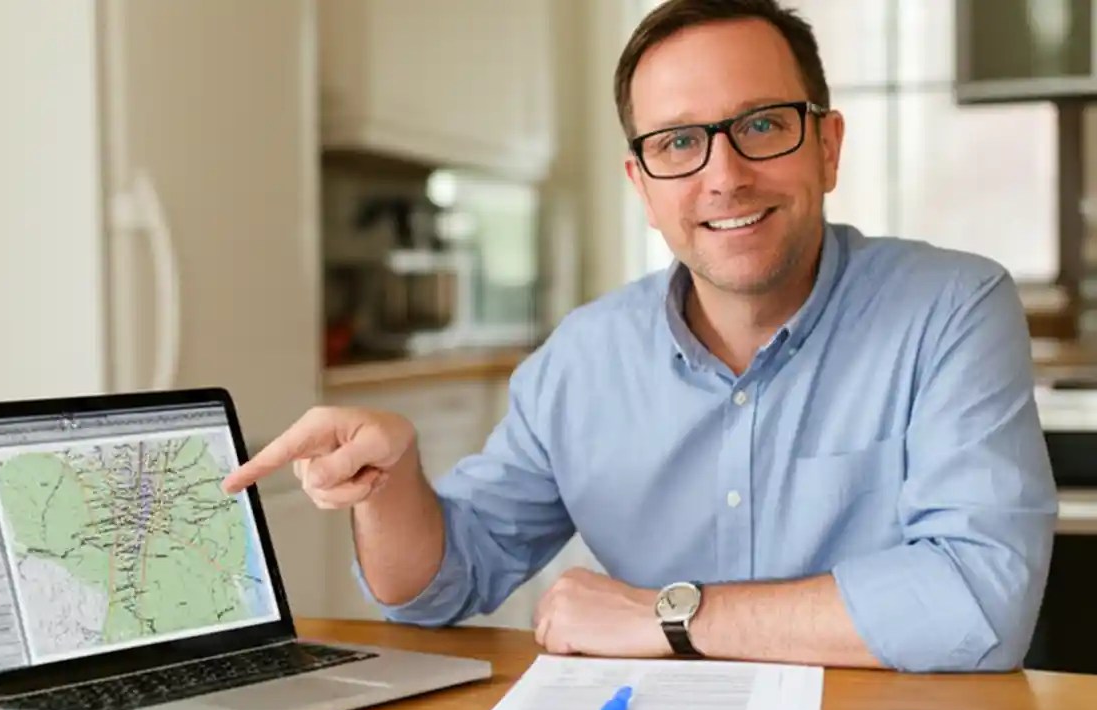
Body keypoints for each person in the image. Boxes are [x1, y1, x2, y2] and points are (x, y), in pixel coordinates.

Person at [222, 0, 1057, 672]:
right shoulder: (582, 360)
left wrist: (669, 616)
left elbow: (980, 603)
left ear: (827, 148)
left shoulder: (952, 308)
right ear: (643, 186)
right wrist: (390, 486)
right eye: (679, 142)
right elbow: (435, 589)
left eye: (763, 124)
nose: (725, 175)